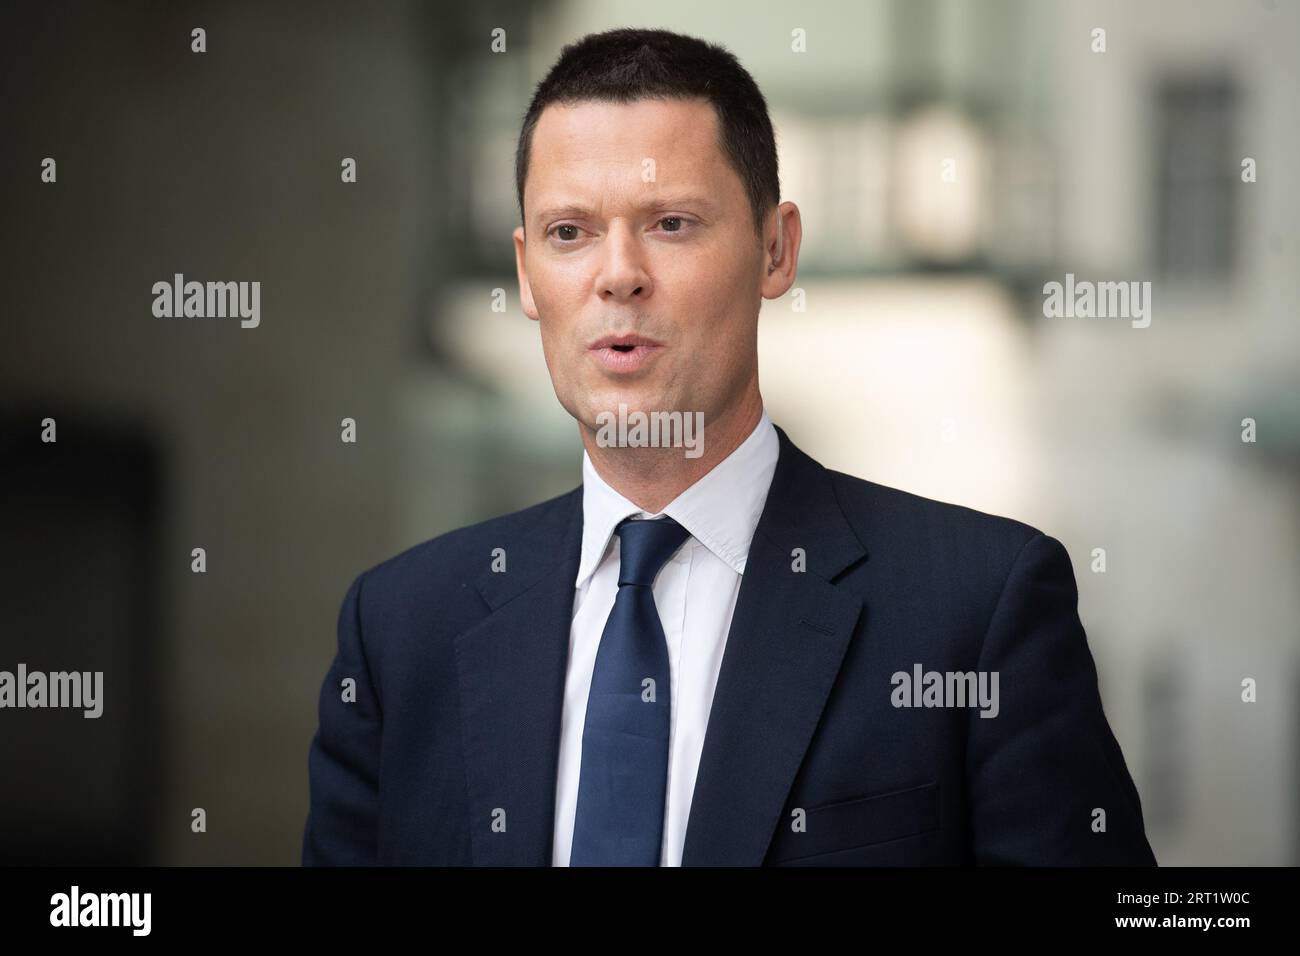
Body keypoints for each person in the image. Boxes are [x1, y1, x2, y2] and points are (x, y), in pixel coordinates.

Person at [302, 27, 1156, 866]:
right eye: (570, 233)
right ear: (526, 275)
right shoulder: (401, 631)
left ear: (777, 249)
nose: (618, 273)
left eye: (671, 223)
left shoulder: (977, 609)